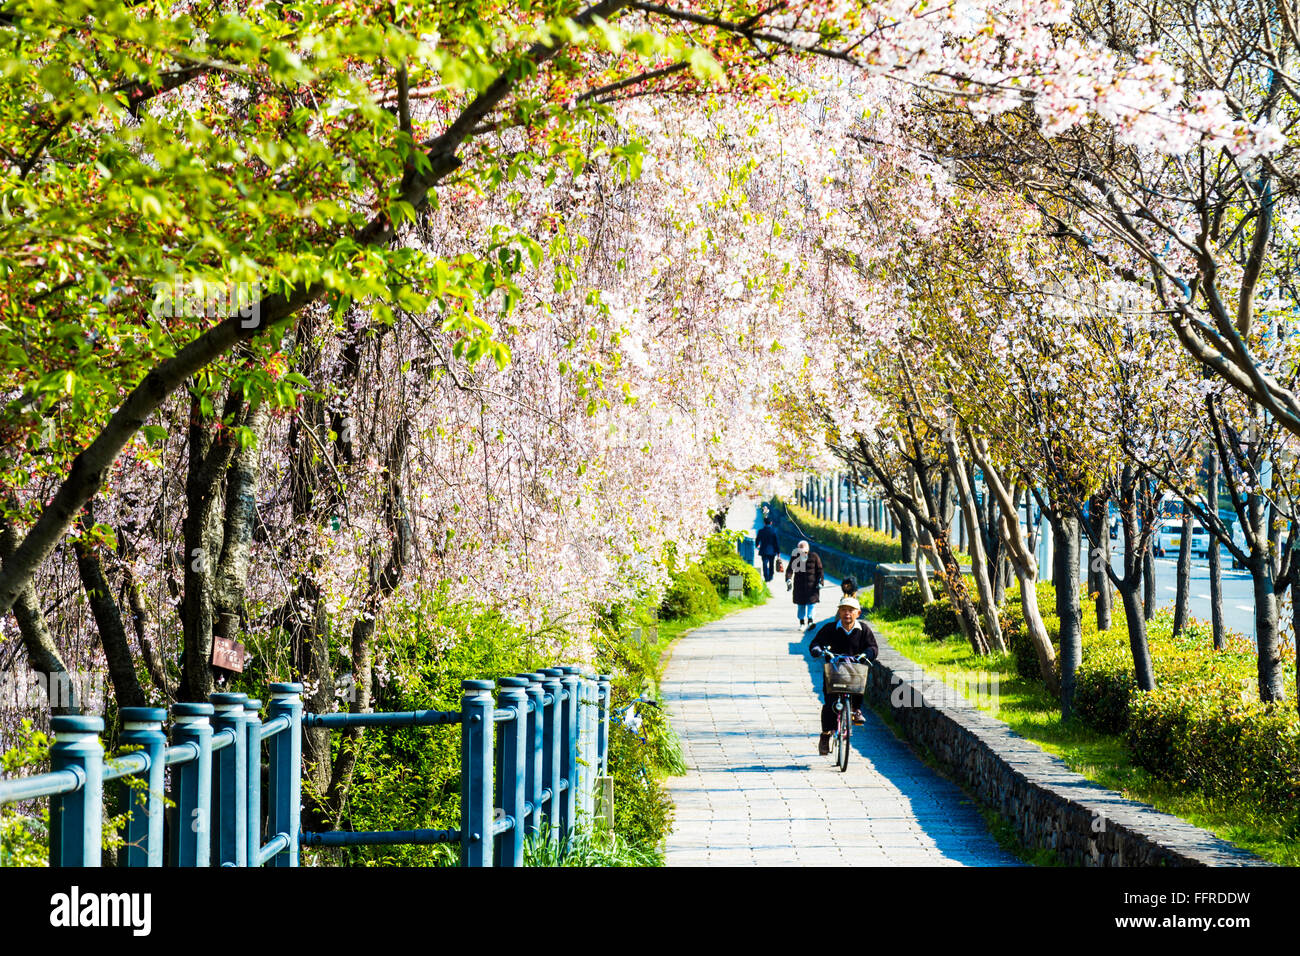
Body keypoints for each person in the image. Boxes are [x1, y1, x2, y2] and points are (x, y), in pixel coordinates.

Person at [809, 595, 879, 755]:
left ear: (858, 613)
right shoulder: (830, 628)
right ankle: (825, 735)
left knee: (859, 686)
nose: (847, 613)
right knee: (830, 703)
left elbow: (873, 648)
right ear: (839, 612)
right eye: (843, 610)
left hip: (854, 670)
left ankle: (856, 710)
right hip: (834, 670)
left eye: (850, 610)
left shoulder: (864, 630)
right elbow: (815, 643)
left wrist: (867, 654)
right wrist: (817, 650)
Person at [785, 540, 823, 630]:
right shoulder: (795, 557)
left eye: (804, 551)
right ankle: (802, 623)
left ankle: (810, 621)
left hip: (812, 586)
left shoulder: (814, 556)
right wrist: (788, 579)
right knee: (801, 606)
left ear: (808, 550)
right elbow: (790, 569)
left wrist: (820, 582)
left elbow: (820, 570)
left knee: (811, 604)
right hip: (799, 586)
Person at [755, 517, 780, 583]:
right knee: (771, 563)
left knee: (764, 563)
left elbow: (757, 539)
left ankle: (766, 576)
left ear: (764, 523)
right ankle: (771, 576)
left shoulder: (761, 531)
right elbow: (776, 542)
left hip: (764, 550)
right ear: (771, 523)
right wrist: (778, 551)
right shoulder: (774, 531)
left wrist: (757, 545)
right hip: (772, 550)